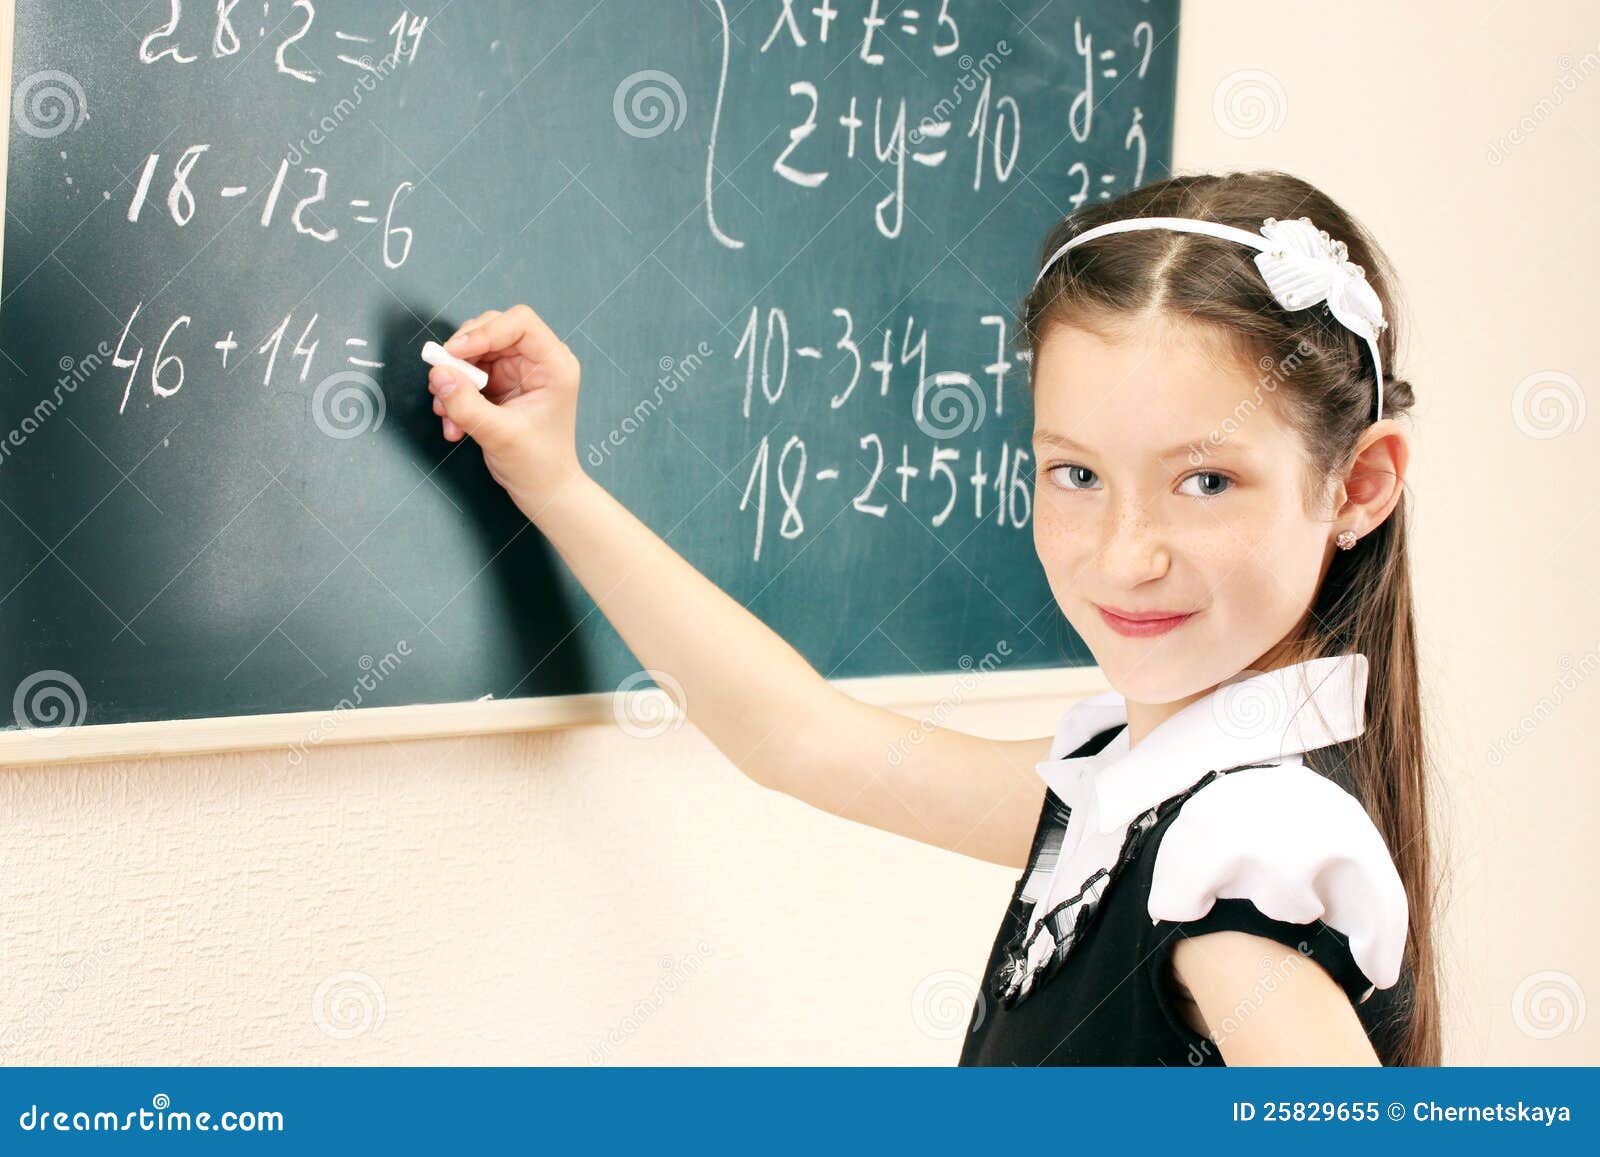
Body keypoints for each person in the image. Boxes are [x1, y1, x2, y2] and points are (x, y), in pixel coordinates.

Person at [425, 170, 1440, 1066]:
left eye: (1206, 481)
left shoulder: (1244, 844)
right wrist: (552, 479)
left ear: (1359, 483)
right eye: (1077, 473)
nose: (1126, 556)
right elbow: (800, 737)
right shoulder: (1143, 788)